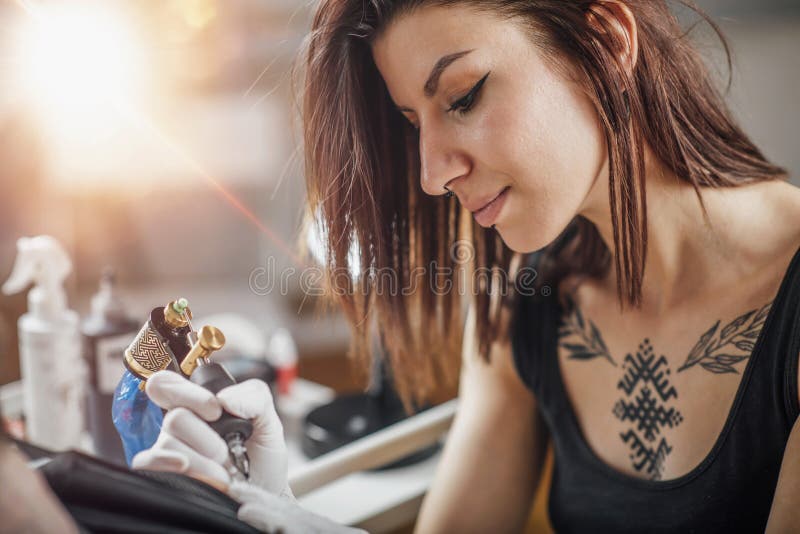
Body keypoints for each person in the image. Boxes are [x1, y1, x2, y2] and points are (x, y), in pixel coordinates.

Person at [133, 1, 800, 532]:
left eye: (464, 96)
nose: (431, 175)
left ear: (606, 40)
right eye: (411, 121)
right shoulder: (526, 296)